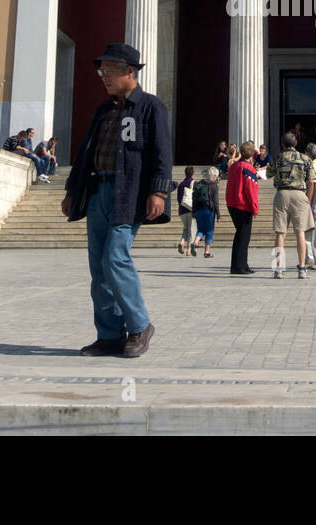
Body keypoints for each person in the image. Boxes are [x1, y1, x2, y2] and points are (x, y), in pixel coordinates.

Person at [61, 42, 172, 358]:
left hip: (128, 194)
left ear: (130, 72)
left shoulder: (150, 107)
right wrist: (72, 190)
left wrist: (159, 191)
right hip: (97, 192)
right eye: (102, 71)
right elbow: (86, 153)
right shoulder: (103, 110)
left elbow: (162, 152)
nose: (104, 76)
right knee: (98, 267)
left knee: (115, 258)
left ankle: (140, 326)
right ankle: (109, 334)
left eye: (110, 71)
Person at [271, 132, 316, 279]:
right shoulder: (305, 158)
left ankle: (278, 268)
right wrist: (308, 201)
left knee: (280, 233)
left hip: (282, 194)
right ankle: (302, 267)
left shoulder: (278, 157)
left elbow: (269, 172)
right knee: (300, 233)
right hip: (299, 194)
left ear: (282, 144)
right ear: (296, 143)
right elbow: (311, 181)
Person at [226, 140, 260, 274]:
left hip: (232, 204)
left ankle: (239, 265)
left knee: (239, 235)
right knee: (244, 237)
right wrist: (255, 207)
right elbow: (250, 190)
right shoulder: (248, 169)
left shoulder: (234, 166)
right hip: (243, 205)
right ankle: (240, 266)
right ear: (251, 153)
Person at [191, 166, 220, 259]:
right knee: (209, 230)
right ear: (214, 176)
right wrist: (218, 214)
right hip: (209, 209)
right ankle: (207, 252)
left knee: (201, 229)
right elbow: (215, 201)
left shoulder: (199, 183)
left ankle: (195, 243)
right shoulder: (214, 185)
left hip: (198, 209)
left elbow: (194, 198)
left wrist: (193, 210)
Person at [175, 166, 197, 256]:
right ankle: (188, 250)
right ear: (193, 173)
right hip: (192, 209)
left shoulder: (181, 184)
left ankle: (182, 241)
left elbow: (178, 199)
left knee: (186, 228)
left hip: (182, 210)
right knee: (192, 229)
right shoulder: (195, 183)